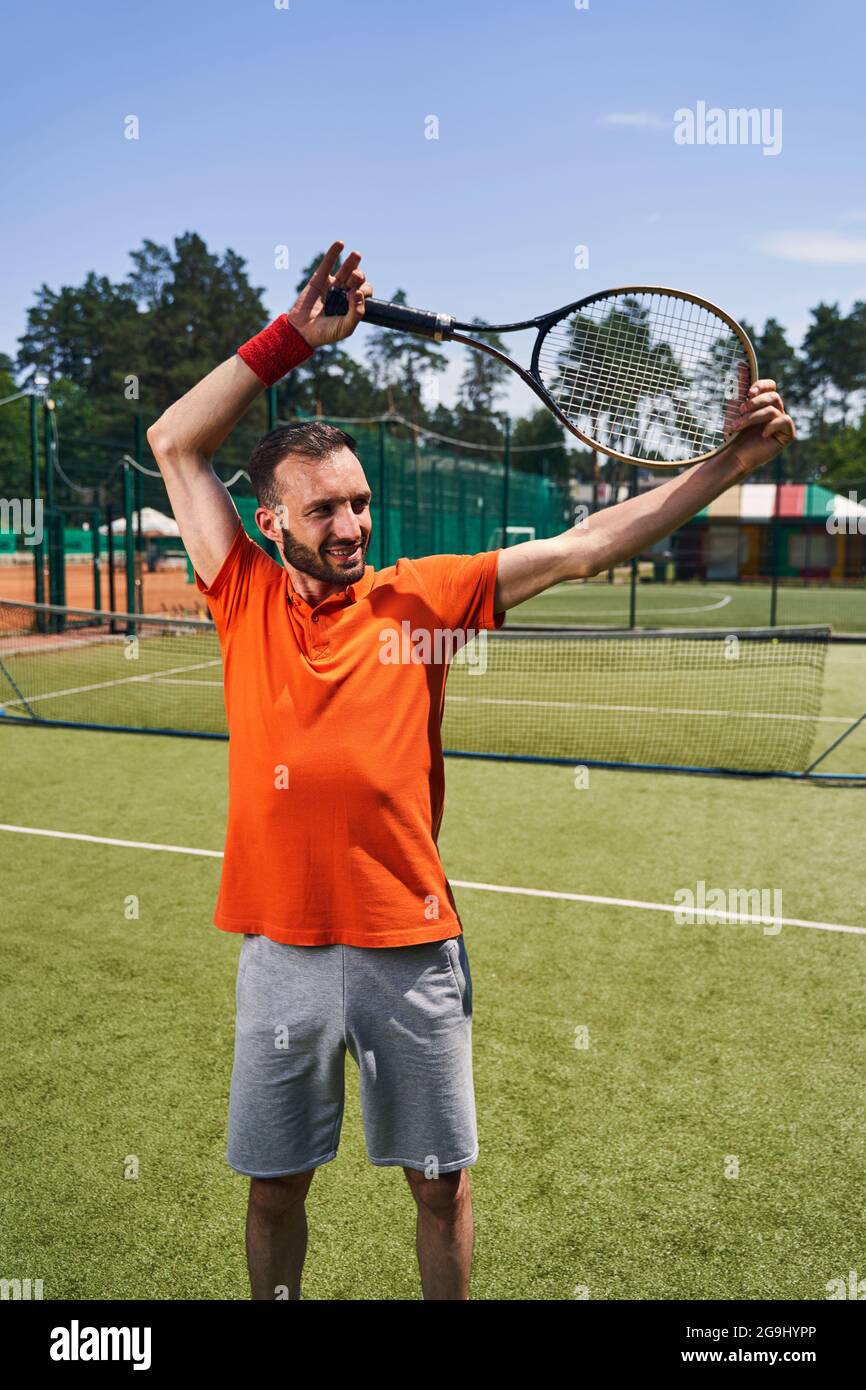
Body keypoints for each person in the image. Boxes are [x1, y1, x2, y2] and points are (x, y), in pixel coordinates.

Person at [146, 241, 795, 1301]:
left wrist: (721, 466)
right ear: (271, 521)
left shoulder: (423, 597)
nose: (352, 524)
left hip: (409, 946)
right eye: (324, 510)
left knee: (439, 1188)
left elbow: (585, 546)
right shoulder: (242, 594)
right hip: (281, 952)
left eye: (358, 502)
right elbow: (175, 437)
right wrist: (289, 341)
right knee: (272, 1190)